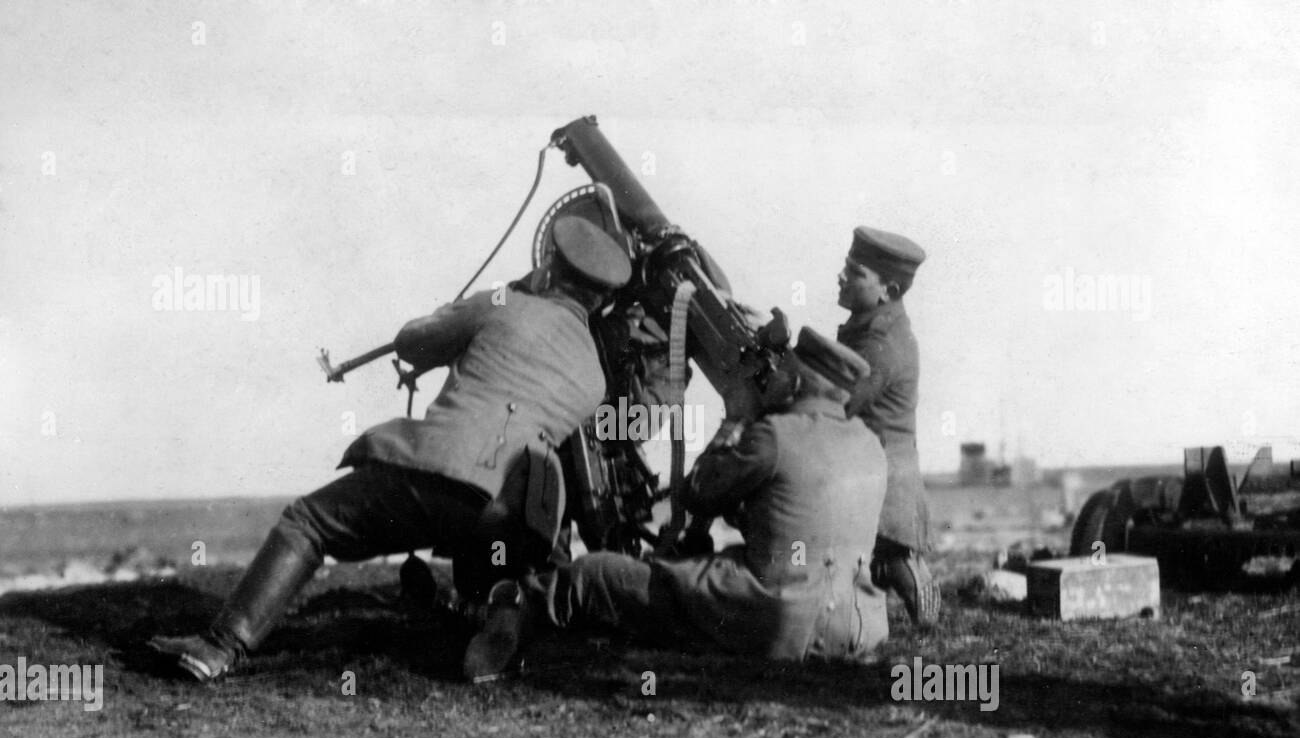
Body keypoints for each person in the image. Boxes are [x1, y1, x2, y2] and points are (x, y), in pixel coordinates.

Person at [149, 216, 632, 683]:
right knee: (499, 549)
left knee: (309, 522)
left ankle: (220, 646)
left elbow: (413, 341)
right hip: (519, 513)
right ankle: (505, 602)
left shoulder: (506, 304)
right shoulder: (593, 373)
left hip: (449, 473)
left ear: (547, 267)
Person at [469, 328, 891, 671]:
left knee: (595, 574)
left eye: (783, 372)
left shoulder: (775, 435)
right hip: (859, 628)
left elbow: (699, 491)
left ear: (796, 381)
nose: (773, 378)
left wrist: (736, 419)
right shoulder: (870, 445)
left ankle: (512, 615)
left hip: (776, 624)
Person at [835, 225, 941, 628]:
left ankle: (929, 623)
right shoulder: (872, 328)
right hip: (875, 466)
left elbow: (839, 402)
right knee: (886, 558)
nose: (842, 277)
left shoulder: (881, 344)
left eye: (855, 272)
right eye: (845, 267)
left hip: (885, 476)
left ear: (889, 291)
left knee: (900, 560)